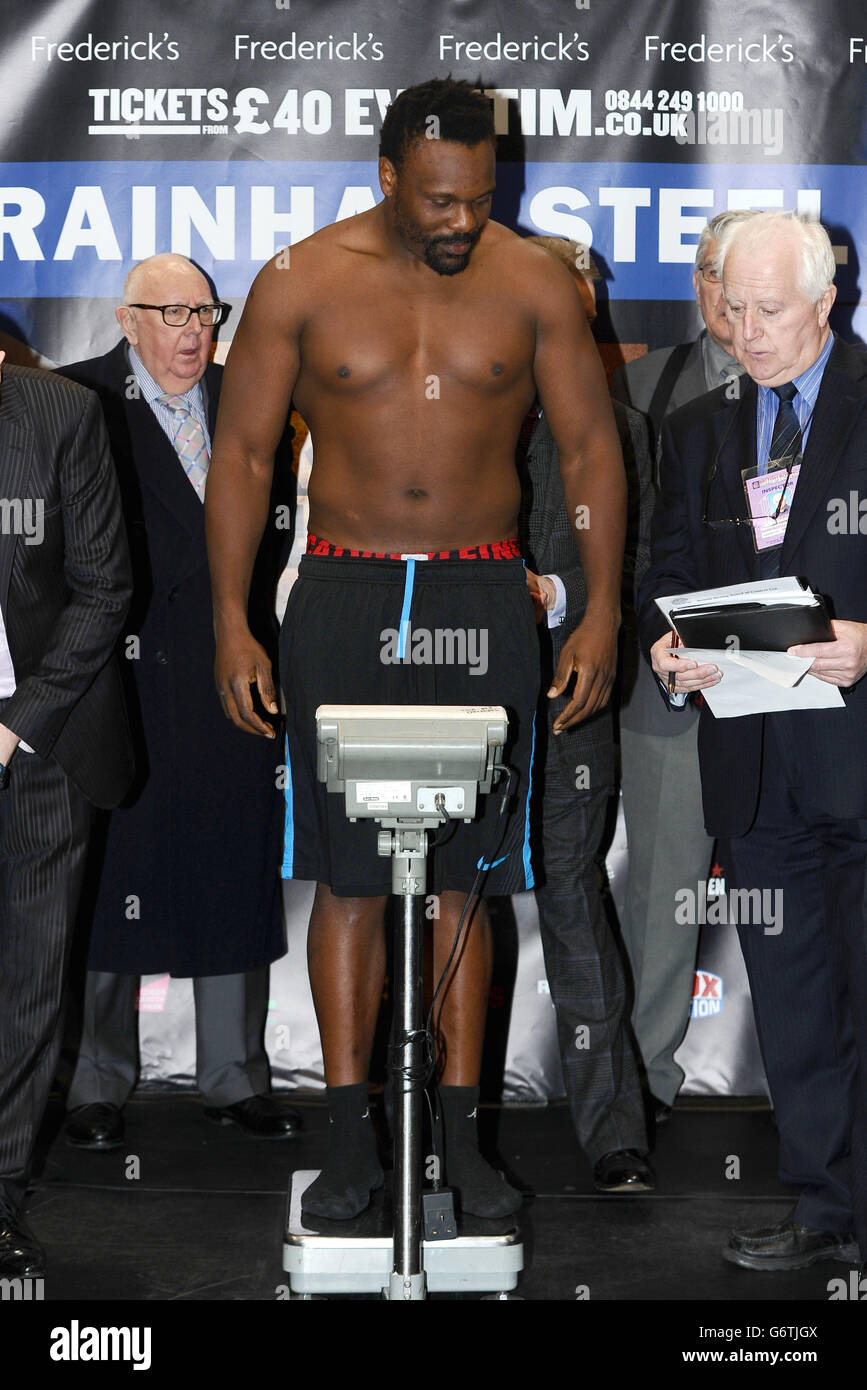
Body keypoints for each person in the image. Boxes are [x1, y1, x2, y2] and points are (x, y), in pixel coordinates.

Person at [205, 78, 626, 1221]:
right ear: (388, 177)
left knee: (463, 882)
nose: (460, 222)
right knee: (351, 881)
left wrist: (596, 611)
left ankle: (461, 1144)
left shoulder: (533, 278)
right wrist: (231, 618)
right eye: (439, 200)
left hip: (483, 591)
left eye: (481, 200)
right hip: (341, 596)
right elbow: (241, 457)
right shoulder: (301, 278)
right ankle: (349, 1149)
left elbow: (591, 453)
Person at [640, 210, 867, 1271]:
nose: (746, 329)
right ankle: (826, 1209)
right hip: (757, 766)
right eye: (732, 307)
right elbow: (670, 570)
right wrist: (666, 647)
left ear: (829, 301)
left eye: (770, 309)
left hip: (860, 754)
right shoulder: (699, 427)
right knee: (794, 1005)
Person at [58, 254, 299, 1149]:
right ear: (127, 321)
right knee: (112, 875)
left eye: (204, 310)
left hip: (235, 673)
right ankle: (96, 1080)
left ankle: (234, 1077)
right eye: (171, 314)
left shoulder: (256, 397)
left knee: (231, 865)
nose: (193, 330)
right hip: (116, 679)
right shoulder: (76, 401)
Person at [609, 211, 752, 1125]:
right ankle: (641, 1087)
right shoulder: (637, 390)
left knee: (819, 896)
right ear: (697, 285)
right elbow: (606, 543)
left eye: (747, 284)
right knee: (659, 897)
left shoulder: (853, 394)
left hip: (817, 688)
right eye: (712, 278)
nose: (728, 301)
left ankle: (824, 1090)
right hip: (671, 688)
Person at [520, 236, 654, 1192]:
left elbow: (636, 573)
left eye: (581, 300)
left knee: (573, 902)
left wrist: (558, 601)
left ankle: (614, 1135)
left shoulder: (619, 428)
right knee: (440, 913)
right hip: (454, 703)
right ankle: (425, 1126)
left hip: (573, 700)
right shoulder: (452, 411)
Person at [0, 354, 133, 1276]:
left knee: (25, 981)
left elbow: (102, 587)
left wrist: (15, 726)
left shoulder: (60, 415)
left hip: (36, 742)